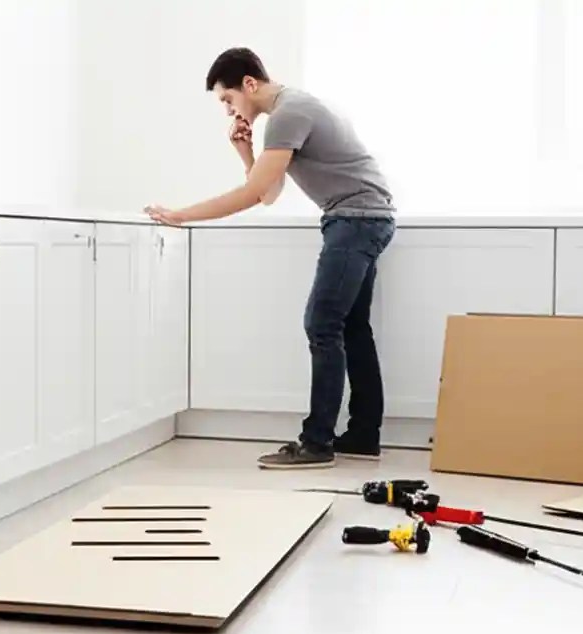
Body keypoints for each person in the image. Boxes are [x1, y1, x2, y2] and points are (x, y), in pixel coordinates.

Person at [145, 47, 395, 470]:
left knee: (322, 323)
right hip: (364, 218)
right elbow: (269, 193)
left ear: (249, 84)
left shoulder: (288, 113)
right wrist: (246, 153)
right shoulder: (289, 113)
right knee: (351, 326)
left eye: (228, 100)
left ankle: (317, 444)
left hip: (355, 220)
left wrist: (181, 215)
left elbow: (250, 195)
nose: (229, 111)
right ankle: (362, 436)